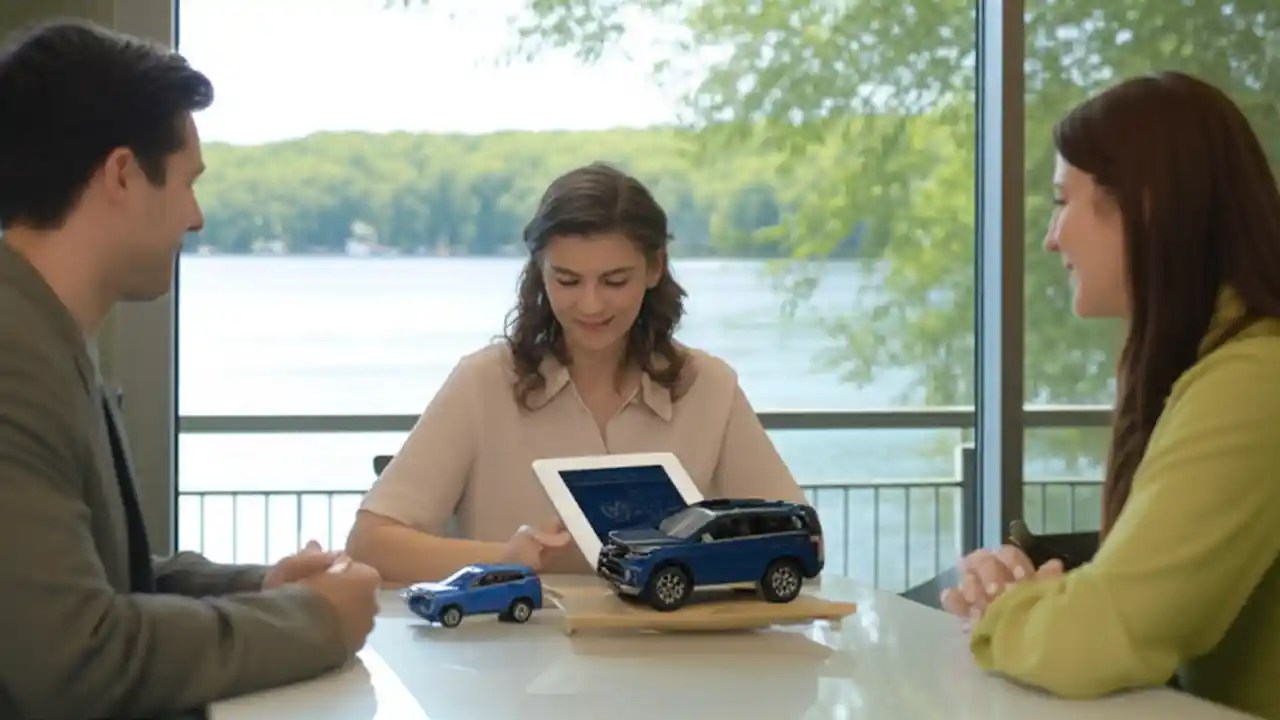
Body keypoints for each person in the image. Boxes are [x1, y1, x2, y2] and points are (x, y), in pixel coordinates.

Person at [0, 19, 382, 719]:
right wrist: (317, 620)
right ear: (122, 174)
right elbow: (74, 655)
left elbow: (103, 582)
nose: (196, 217)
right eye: (186, 182)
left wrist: (265, 588)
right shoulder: (14, 356)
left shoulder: (43, 334)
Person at [940, 72, 1280, 718]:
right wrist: (1046, 599)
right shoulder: (1228, 367)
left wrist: (1006, 610)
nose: (1051, 237)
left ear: (1144, 205)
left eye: (1061, 201)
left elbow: (1096, 641)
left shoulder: (1254, 382)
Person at [346, 162, 808, 584]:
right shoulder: (483, 382)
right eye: (567, 280)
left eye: (614, 281)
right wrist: (505, 557)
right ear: (540, 272)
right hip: (514, 645)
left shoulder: (709, 386)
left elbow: (801, 538)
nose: (590, 304)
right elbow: (370, 544)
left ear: (655, 269)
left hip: (679, 645)